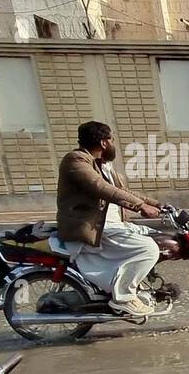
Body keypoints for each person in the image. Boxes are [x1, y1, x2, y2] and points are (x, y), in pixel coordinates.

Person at [57, 121, 164, 318]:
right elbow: (101, 188)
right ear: (104, 142)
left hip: (113, 224)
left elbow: (123, 191)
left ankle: (132, 285)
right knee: (148, 249)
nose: (113, 143)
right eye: (111, 139)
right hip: (92, 227)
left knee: (161, 238)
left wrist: (157, 204)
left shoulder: (101, 165)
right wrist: (140, 207)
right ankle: (123, 297)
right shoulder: (76, 160)